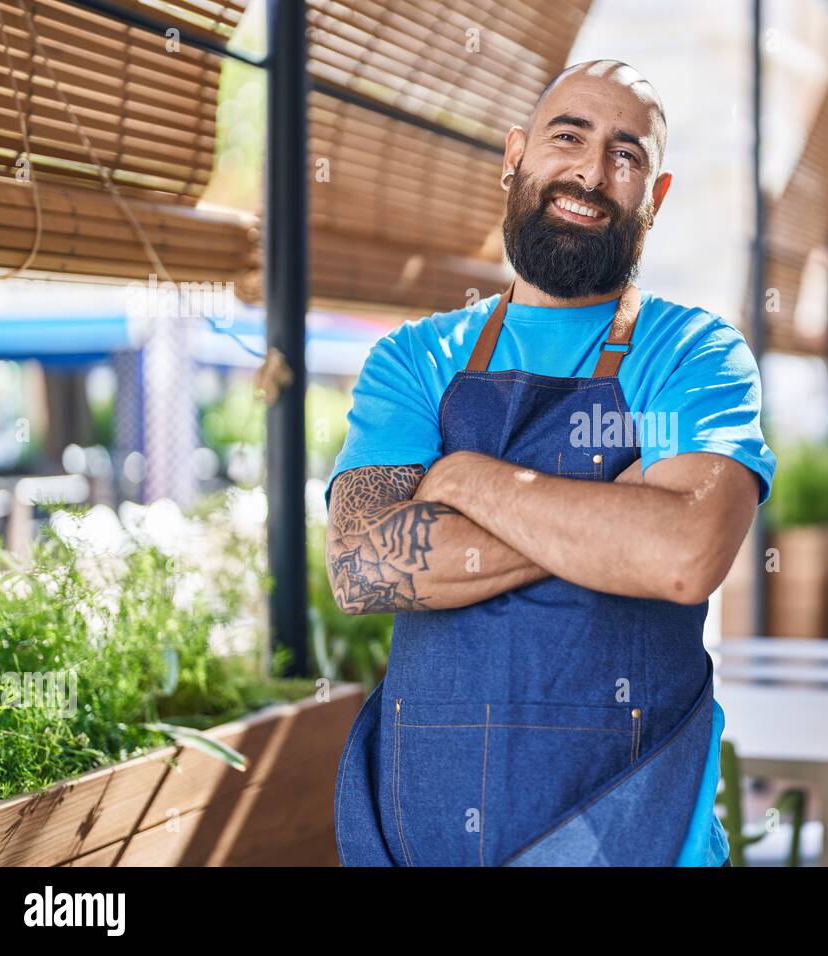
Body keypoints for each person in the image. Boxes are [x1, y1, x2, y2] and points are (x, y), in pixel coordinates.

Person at [325, 60, 776, 867]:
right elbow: (362, 567)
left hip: (635, 829)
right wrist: (614, 515)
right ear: (515, 154)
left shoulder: (696, 353)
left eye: (625, 156)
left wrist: (461, 479)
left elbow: (681, 557)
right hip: (423, 834)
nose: (590, 172)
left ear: (655, 198)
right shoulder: (412, 358)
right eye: (567, 137)